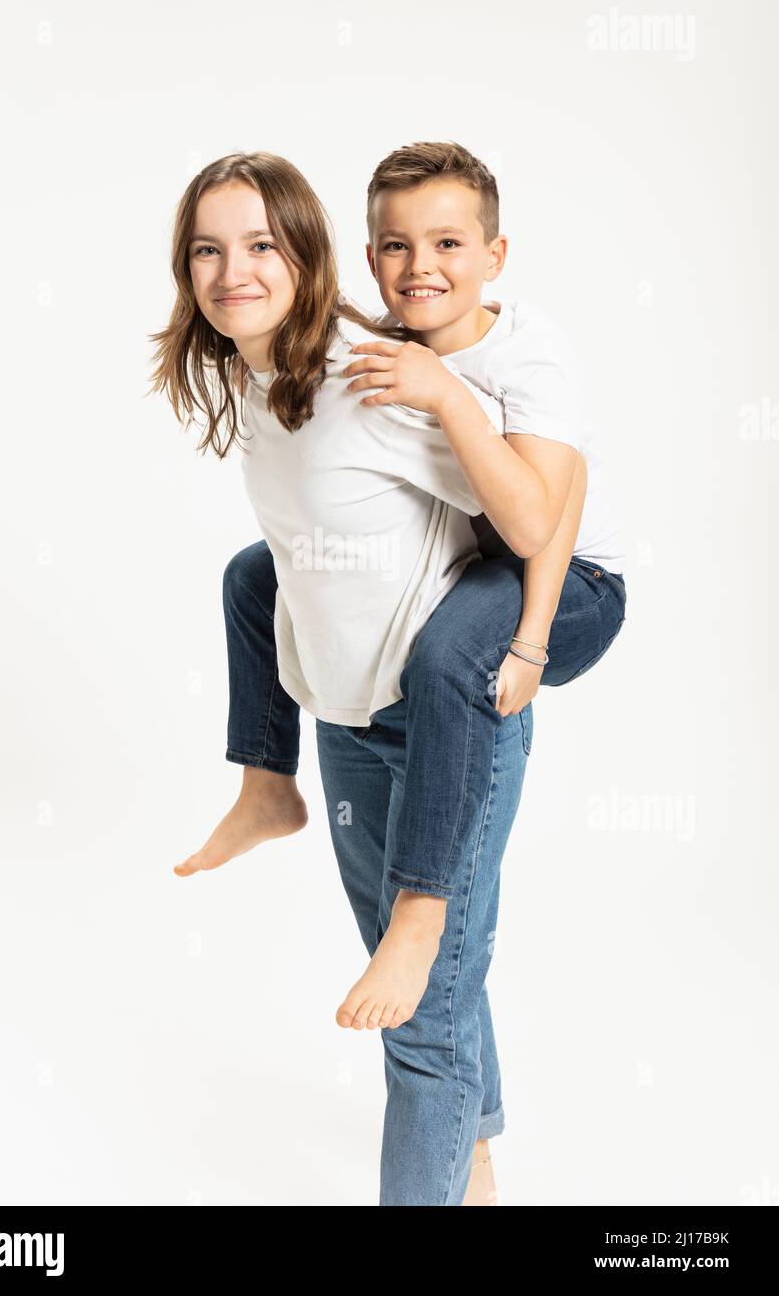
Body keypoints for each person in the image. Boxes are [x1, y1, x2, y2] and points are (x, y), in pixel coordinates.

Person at [150, 149, 624, 1204]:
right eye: (207, 251)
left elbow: (543, 506)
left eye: (261, 245)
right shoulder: (253, 365)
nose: (232, 271)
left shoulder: (388, 378)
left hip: (476, 674)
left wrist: (534, 639)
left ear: (311, 255)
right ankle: (266, 785)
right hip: (350, 708)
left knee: (421, 1005)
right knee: (250, 572)